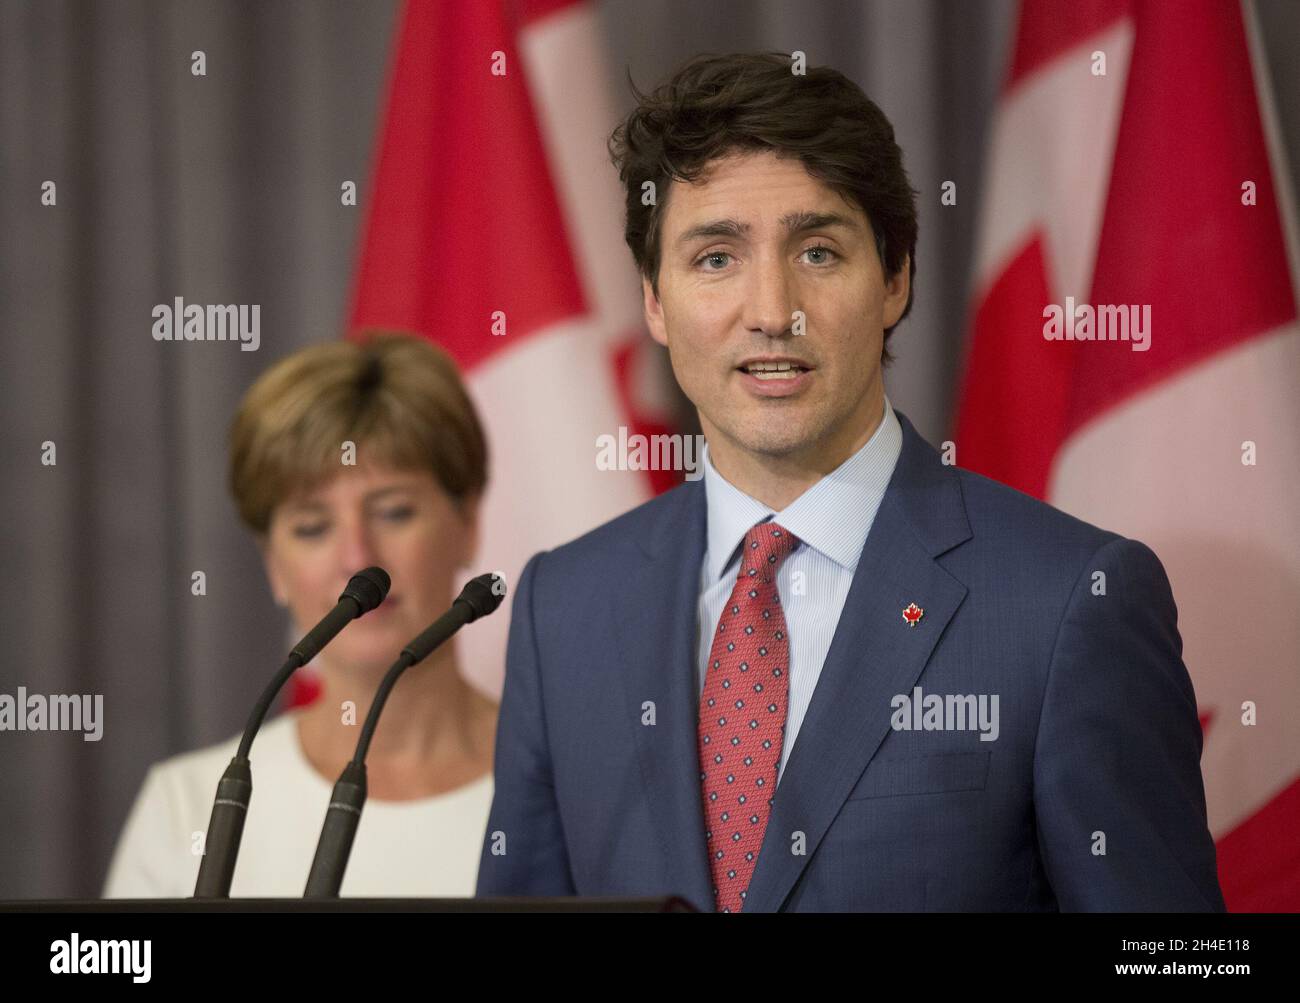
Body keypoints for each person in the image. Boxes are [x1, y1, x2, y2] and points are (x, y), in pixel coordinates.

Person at [476, 52, 1225, 912]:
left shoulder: (1071, 602)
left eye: (819, 251)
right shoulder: (560, 607)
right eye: (715, 258)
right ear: (654, 300)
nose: (771, 308)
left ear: (895, 279)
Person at [104, 333, 497, 898]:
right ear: (274, 566)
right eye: (313, 527)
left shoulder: (572, 783)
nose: (358, 557)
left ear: (468, 524)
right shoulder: (186, 804)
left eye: (394, 511)